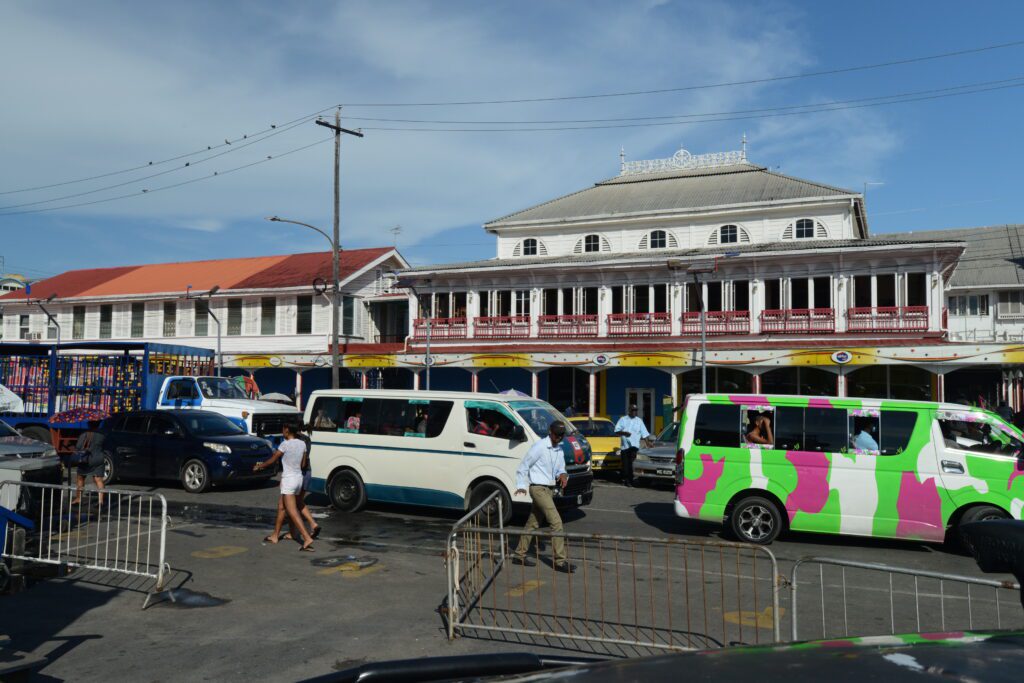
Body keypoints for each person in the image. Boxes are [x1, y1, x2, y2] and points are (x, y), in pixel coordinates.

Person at [511, 421, 575, 573]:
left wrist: (563, 475)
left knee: (533, 523)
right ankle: (560, 561)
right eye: (557, 434)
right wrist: (521, 486)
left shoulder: (559, 450)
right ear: (550, 432)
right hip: (538, 489)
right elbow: (523, 466)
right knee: (556, 522)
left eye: (561, 435)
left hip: (549, 489)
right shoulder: (539, 447)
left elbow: (561, 469)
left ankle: (519, 554)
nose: (559, 438)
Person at [255, 423, 315, 551]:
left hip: (289, 479)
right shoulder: (302, 444)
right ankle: (275, 535)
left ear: (287, 431)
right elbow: (303, 463)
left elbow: (273, 459)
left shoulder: (285, 444)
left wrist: (260, 466)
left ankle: (306, 537)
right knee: (281, 507)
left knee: (292, 511)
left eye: (283, 429)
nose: (282, 431)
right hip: (299, 478)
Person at [70, 421, 107, 506]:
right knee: (99, 480)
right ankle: (100, 501)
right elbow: (105, 446)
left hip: (86, 459)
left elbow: (79, 446)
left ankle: (78, 499)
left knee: (80, 478)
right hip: (99, 458)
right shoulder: (103, 434)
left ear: (89, 424)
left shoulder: (85, 434)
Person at [613, 405, 650, 487]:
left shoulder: (639, 421)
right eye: (633, 410)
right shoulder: (623, 419)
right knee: (625, 465)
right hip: (625, 447)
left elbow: (644, 433)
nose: (634, 411)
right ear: (629, 410)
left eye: (636, 410)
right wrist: (624, 433)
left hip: (634, 447)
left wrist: (648, 443)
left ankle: (630, 480)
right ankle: (626, 479)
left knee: (632, 464)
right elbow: (616, 431)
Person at [296, 424, 321, 539]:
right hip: (308, 472)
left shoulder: (297, 440)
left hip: (299, 473)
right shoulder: (307, 438)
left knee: (291, 504)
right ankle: (312, 524)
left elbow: (301, 460)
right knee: (298, 502)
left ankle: (301, 531)